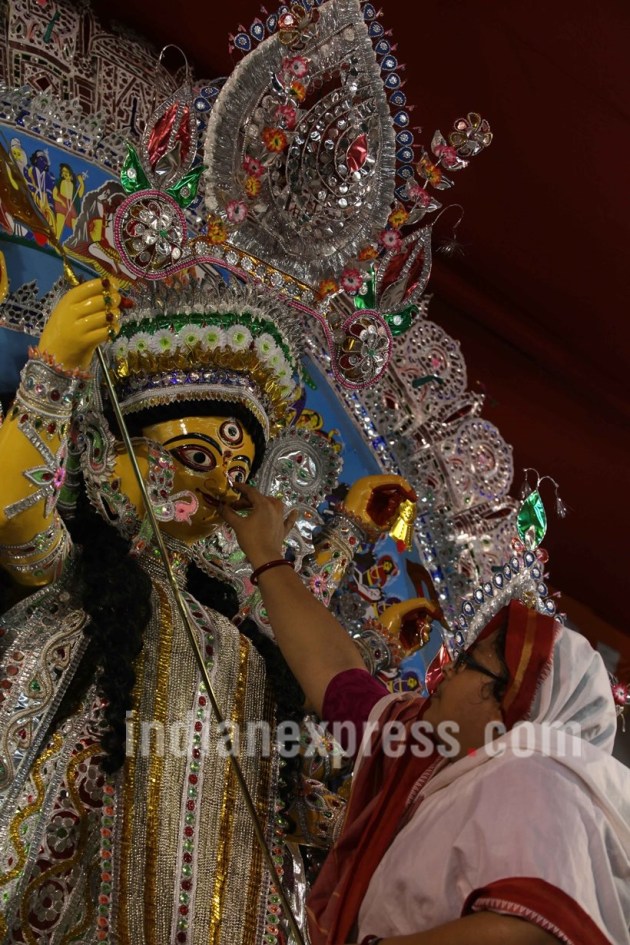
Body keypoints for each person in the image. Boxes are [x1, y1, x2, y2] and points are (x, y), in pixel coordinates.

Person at [0, 277, 413, 945]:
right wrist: (57, 362)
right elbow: (14, 515)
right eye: (196, 456)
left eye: (238, 471)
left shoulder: (246, 645)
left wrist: (343, 536)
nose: (220, 483)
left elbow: (327, 693)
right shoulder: (88, 580)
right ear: (109, 456)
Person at [221, 484, 630, 945]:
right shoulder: (429, 761)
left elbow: (530, 929)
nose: (446, 671)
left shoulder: (538, 778)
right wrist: (265, 553)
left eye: (469, 664)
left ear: (513, 702)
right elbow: (338, 678)